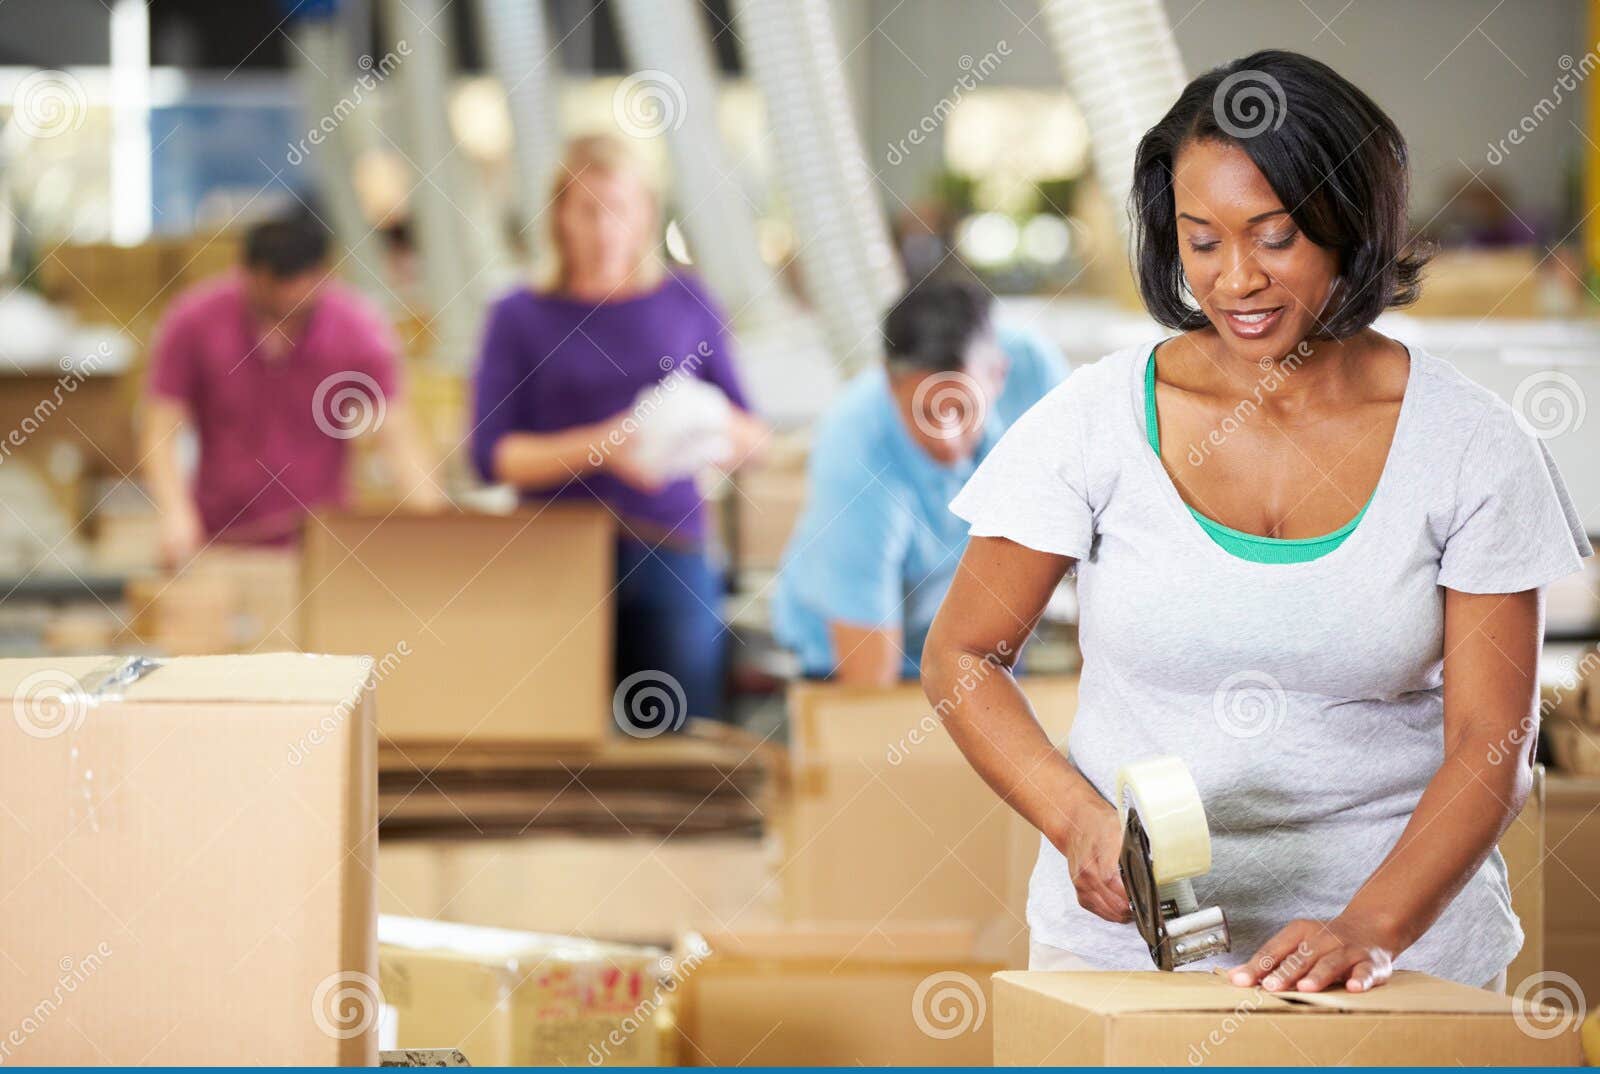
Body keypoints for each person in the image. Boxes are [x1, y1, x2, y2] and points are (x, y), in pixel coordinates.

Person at [922, 50, 1591, 994]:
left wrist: (1371, 926)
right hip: (1134, 963)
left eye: (1275, 237)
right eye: (1202, 241)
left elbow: (1492, 738)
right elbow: (962, 654)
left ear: (1350, 228)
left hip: (1397, 969)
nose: (1235, 280)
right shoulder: (1094, 420)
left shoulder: (1471, 445)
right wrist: (1073, 817)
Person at [472, 135, 767, 725]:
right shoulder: (519, 315)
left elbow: (751, 434)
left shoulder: (687, 300)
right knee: (551, 730)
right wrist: (605, 445)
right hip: (552, 552)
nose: (604, 228)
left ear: (646, 215)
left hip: (669, 547)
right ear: (559, 216)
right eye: (586, 210)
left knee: (679, 731)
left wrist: (699, 431)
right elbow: (492, 456)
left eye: (619, 209)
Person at [772, 281, 1069, 684]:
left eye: (962, 409)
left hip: (979, 639)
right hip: (853, 651)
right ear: (890, 385)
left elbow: (1092, 532)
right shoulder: (853, 449)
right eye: (924, 412)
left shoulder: (1036, 377)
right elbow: (870, 690)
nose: (946, 441)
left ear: (999, 375)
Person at [142, 213, 445, 566]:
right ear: (249, 274)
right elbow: (160, 430)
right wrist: (175, 512)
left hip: (321, 543)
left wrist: (433, 530)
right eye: (276, 297)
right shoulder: (193, 322)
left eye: (300, 300)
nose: (288, 309)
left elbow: (396, 436)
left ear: (324, 274)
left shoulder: (357, 328)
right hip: (219, 541)